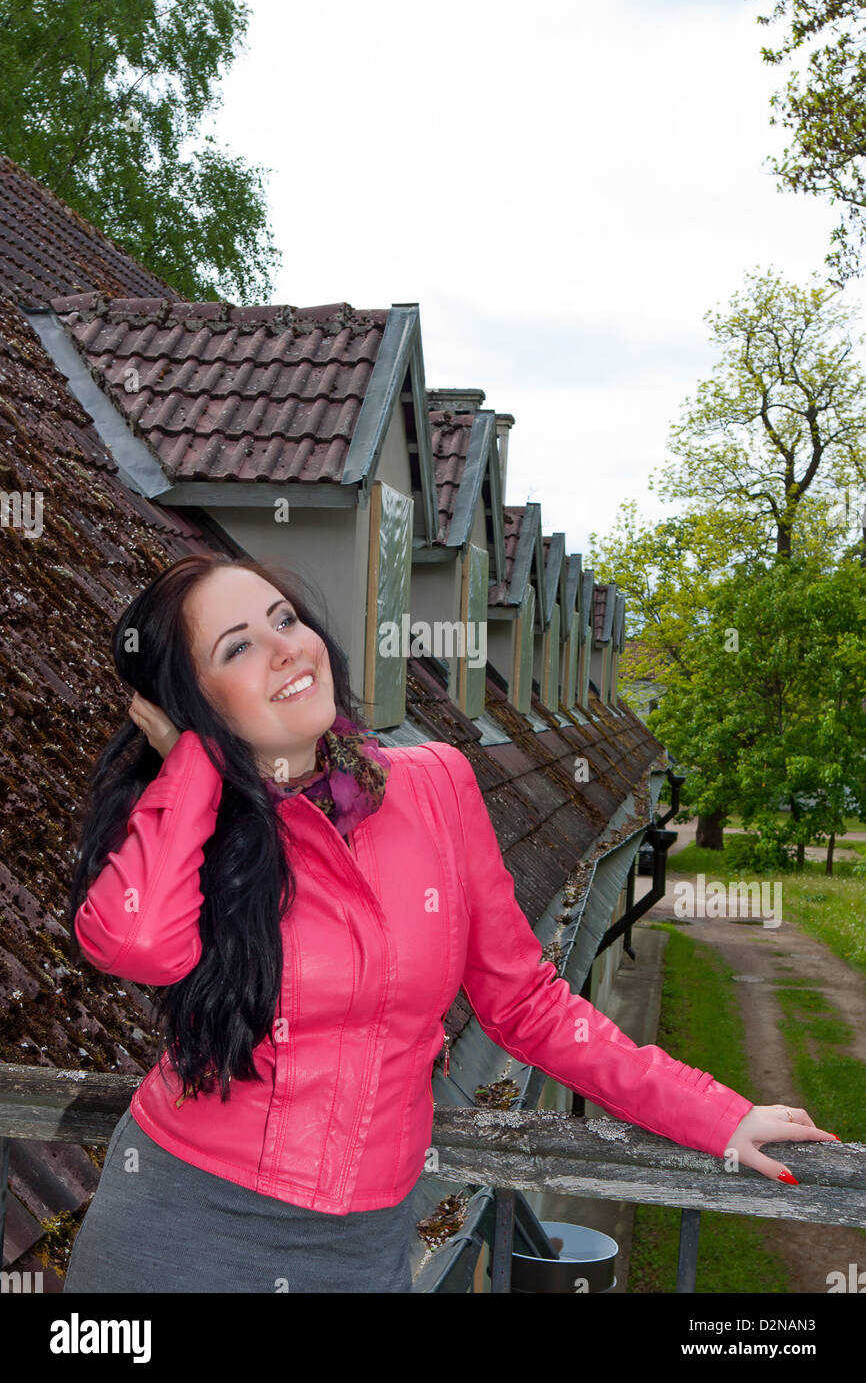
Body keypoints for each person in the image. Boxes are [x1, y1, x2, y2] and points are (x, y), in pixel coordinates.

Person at [62, 553, 838, 1294]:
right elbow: (138, 944)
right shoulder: (188, 829)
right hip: (180, 1225)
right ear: (193, 705)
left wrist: (714, 1113)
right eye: (238, 647)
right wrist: (193, 762)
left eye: (285, 619)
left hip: (364, 1241)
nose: (285, 650)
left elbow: (527, 1003)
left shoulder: (434, 787)